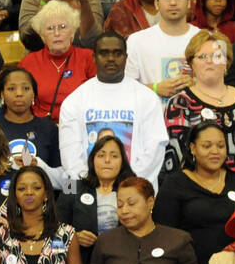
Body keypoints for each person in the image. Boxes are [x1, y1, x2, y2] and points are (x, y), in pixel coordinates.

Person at [58, 31, 168, 182]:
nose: (111, 58)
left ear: (126, 57)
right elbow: (70, 154)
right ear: (94, 58)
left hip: (135, 190)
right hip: (89, 190)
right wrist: (92, 183)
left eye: (117, 53)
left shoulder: (147, 98)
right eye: (104, 53)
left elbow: (155, 149)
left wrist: (128, 182)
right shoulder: (75, 101)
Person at [162, 30, 235, 186]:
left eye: (216, 56)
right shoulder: (180, 103)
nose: (209, 61)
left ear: (227, 62)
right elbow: (175, 158)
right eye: (202, 57)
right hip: (197, 195)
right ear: (191, 64)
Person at [152, 120, 235, 264]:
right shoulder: (175, 183)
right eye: (206, 146)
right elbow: (162, 233)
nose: (215, 151)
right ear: (193, 148)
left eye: (220, 146)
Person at [57, 133, 134, 264]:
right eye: (101, 155)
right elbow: (53, 230)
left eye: (114, 156)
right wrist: (73, 238)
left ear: (123, 161)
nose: (107, 160)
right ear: (92, 160)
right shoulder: (71, 185)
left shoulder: (133, 189)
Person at [18, 0, 97, 123]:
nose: (57, 33)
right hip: (42, 127)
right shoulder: (28, 63)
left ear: (72, 32)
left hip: (80, 124)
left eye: (63, 27)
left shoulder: (88, 58)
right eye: (50, 28)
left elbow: (98, 97)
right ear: (42, 35)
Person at [0, 67, 64, 188]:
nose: (19, 93)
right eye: (11, 88)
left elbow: (66, 180)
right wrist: (8, 164)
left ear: (34, 94)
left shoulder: (50, 129)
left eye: (26, 88)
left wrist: (40, 166)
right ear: (2, 94)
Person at [126, 0, 197, 100]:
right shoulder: (136, 41)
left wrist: (196, 86)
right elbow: (125, 88)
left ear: (189, 3)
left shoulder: (204, 39)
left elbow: (218, 85)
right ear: (156, 4)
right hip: (150, 117)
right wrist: (155, 88)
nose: (173, 2)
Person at [19, 0, 103, 52]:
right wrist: (45, 1)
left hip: (81, 59)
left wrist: (83, 1)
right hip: (41, 59)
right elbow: (28, 39)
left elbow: (94, 41)